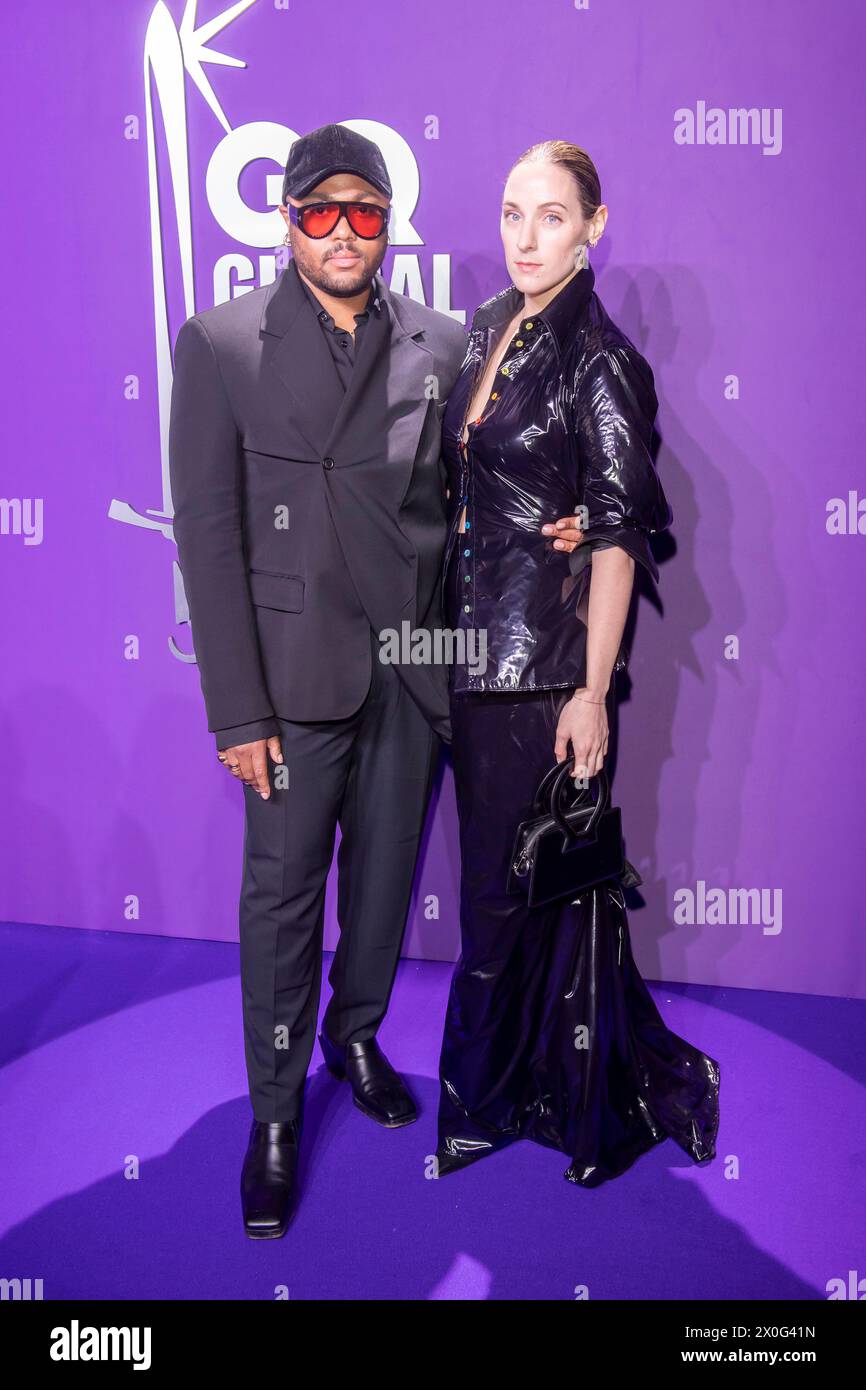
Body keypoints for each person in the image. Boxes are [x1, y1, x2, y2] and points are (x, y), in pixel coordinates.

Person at [168, 124, 469, 1238]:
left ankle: (357, 1031)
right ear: (285, 220)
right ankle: (277, 1114)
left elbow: (463, 511)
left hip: (410, 676)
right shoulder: (223, 341)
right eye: (319, 210)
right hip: (290, 685)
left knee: (384, 887)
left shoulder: (441, 343)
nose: (343, 230)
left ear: (387, 223)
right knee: (282, 903)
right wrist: (236, 708)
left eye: (364, 210)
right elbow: (206, 538)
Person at [435, 139, 720, 1186]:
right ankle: (514, 1082)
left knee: (506, 896)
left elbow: (613, 535)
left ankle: (484, 1098)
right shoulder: (482, 329)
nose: (524, 236)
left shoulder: (598, 359)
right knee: (505, 890)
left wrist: (591, 691)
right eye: (511, 212)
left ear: (593, 225)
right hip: (461, 652)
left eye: (550, 215)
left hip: (537, 669)